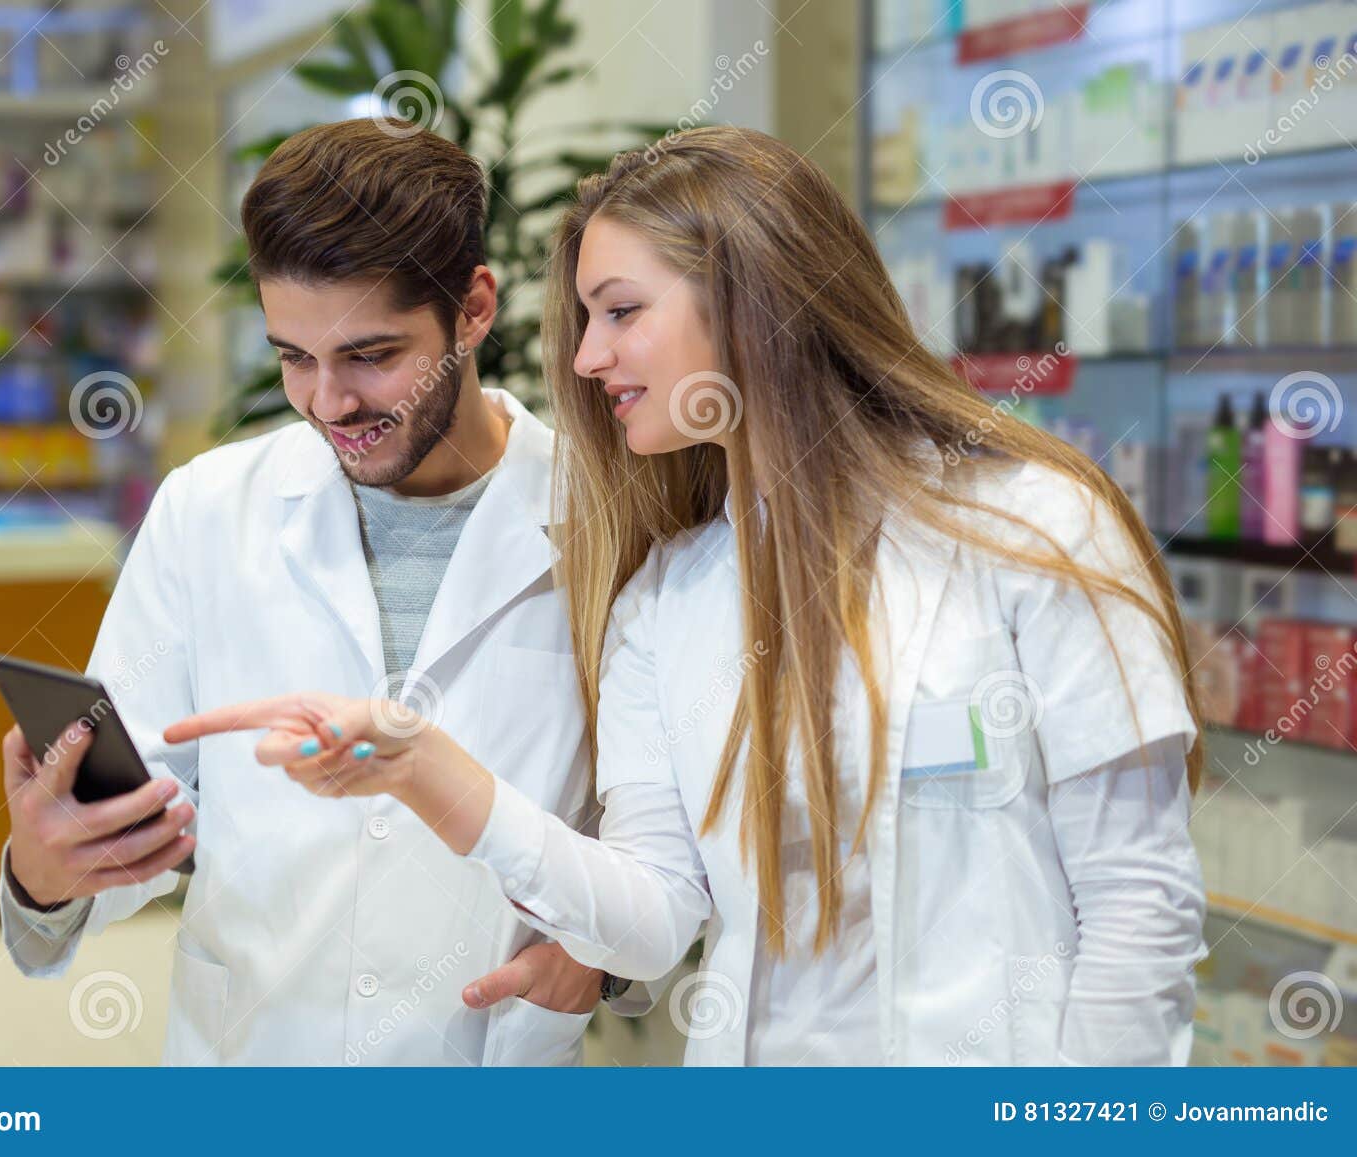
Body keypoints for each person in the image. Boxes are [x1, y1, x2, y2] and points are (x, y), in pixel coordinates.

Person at [166, 125, 1210, 1066]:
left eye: (622, 311)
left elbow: (1138, 906)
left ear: (758, 301)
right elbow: (654, 916)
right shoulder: (670, 595)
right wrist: (427, 769)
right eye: (586, 317)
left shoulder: (1033, 527)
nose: (587, 357)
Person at [0, 119, 607, 1066]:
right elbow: (135, 808)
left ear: (474, 309)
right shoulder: (208, 510)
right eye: (293, 357)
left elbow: (673, 827)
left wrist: (600, 959)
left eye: (371, 355)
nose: (329, 403)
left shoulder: (606, 520)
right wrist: (46, 877)